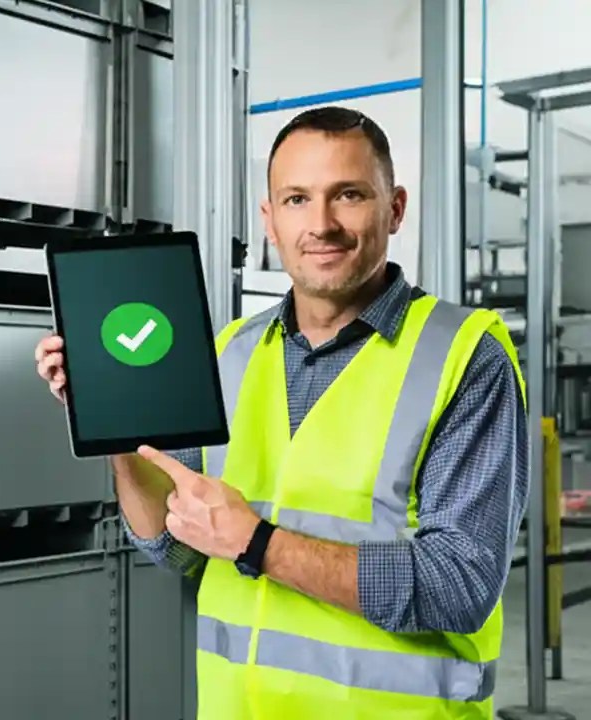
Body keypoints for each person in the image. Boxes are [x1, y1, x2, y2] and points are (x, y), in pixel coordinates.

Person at [34, 106, 527, 719]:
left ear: (394, 208)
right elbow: (173, 545)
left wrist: (257, 542)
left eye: (347, 195)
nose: (320, 224)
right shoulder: (231, 352)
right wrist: (111, 420)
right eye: (296, 199)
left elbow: (459, 587)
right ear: (269, 220)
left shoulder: (463, 356)